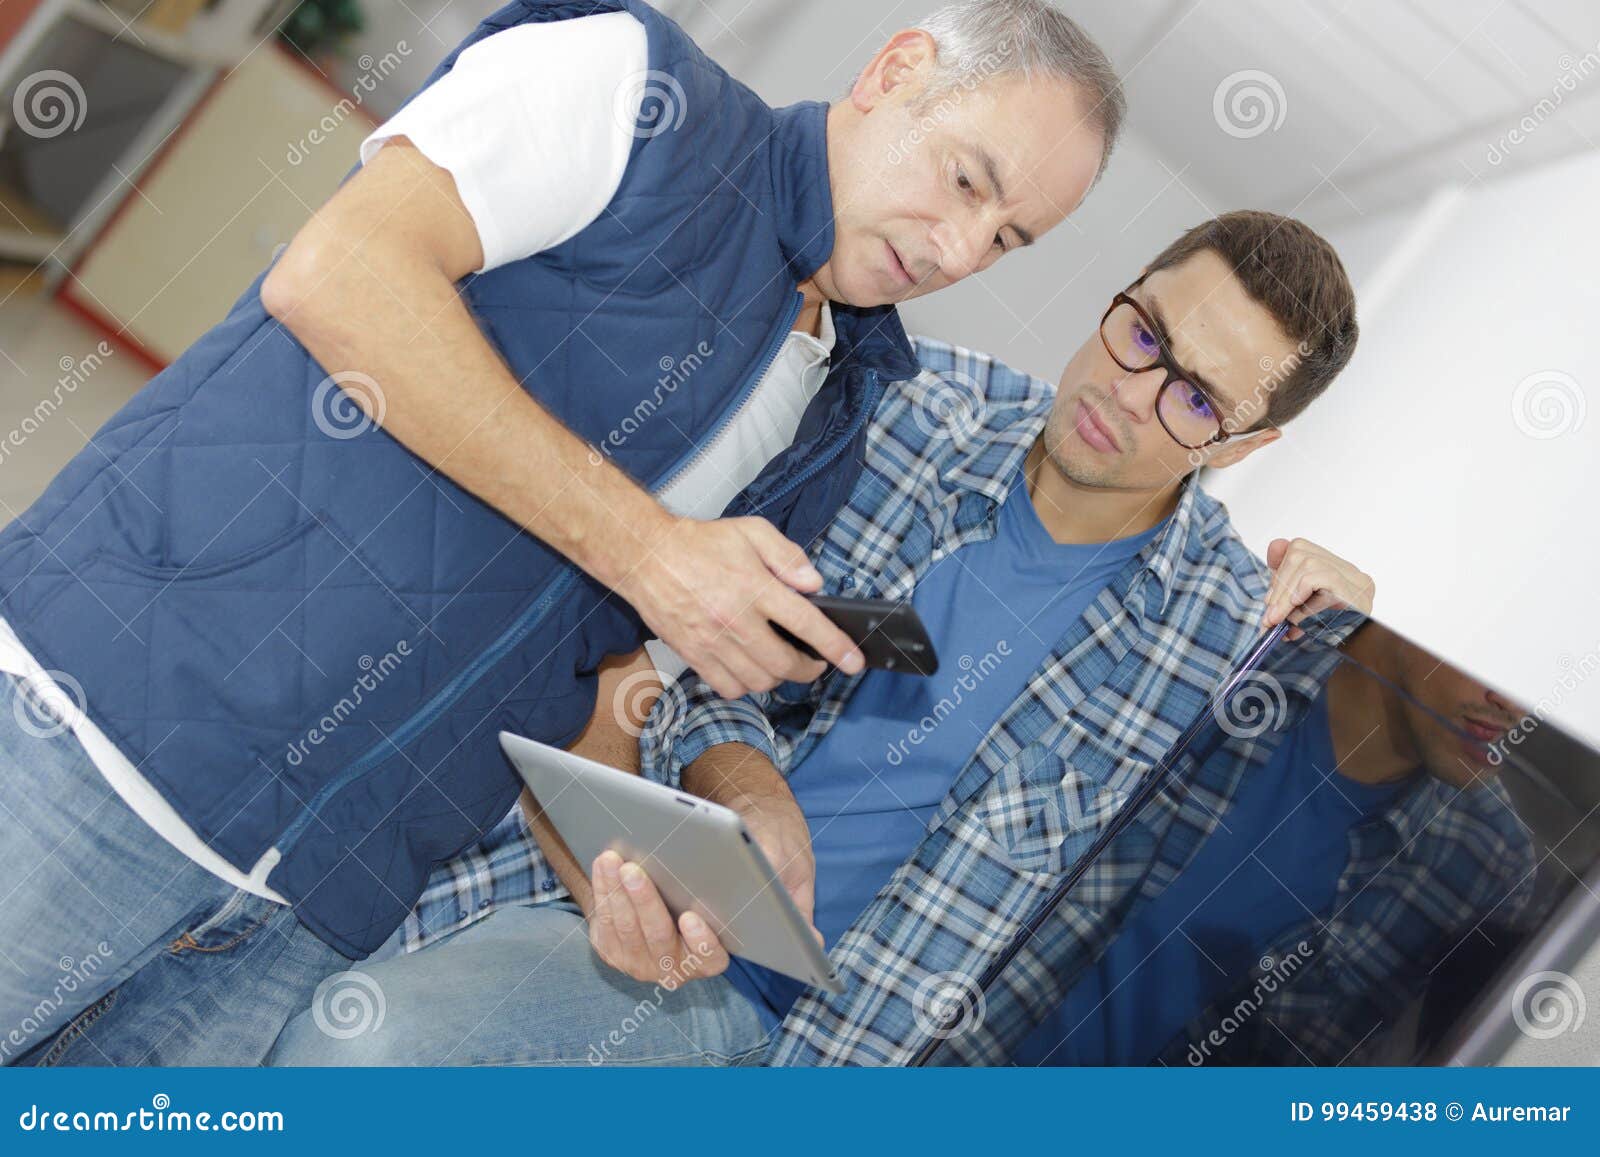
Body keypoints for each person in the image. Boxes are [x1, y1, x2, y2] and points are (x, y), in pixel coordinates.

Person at [0, 0, 1125, 1064]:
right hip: (99, 743)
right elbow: (341, 272)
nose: (960, 248)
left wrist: (626, 870)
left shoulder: (835, 412)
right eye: (967, 180)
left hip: (301, 915)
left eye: (1007, 239)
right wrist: (646, 546)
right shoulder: (636, 91)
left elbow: (587, 675)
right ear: (894, 74)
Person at [262, 209, 1373, 1068]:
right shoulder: (901, 408)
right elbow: (683, 643)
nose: (1130, 396)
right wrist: (746, 782)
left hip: (854, 1055)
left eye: (1193, 400)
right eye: (1141, 334)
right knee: (367, 1049)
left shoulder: (1235, 646)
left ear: (1242, 446)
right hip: (661, 952)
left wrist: (1355, 646)